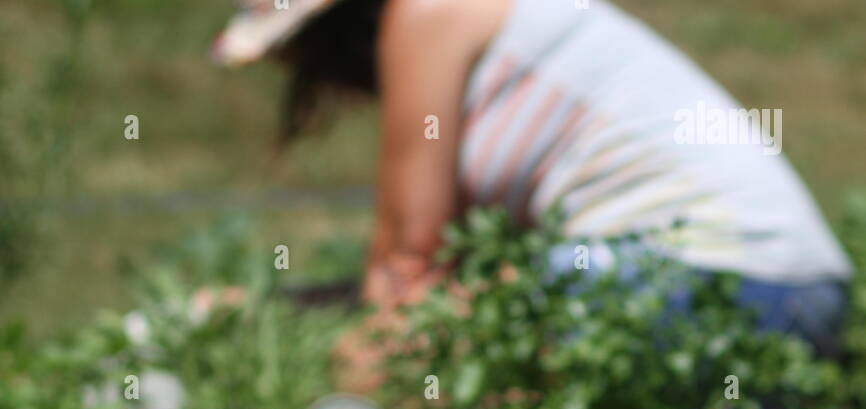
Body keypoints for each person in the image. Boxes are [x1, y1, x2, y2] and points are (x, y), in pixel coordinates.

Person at [212, 0, 853, 381]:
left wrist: (275, 323)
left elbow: (407, 273)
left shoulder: (426, 13)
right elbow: (455, 275)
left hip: (694, 284)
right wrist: (287, 302)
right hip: (806, 298)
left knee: (378, 362)